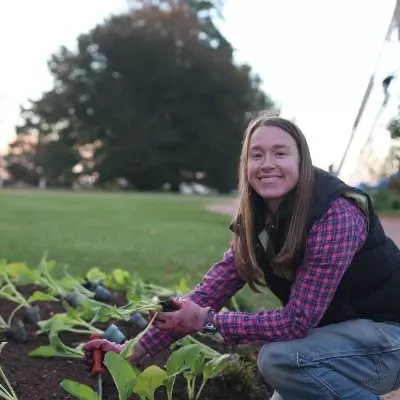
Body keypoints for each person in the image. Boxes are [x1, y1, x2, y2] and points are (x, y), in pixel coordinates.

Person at [84, 114, 400, 399]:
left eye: (280, 153)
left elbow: (296, 322)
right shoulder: (259, 219)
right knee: (293, 374)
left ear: (301, 161)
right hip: (341, 340)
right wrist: (130, 353)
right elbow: (210, 291)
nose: (267, 164)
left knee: (279, 360)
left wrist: (206, 322)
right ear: (246, 165)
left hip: (389, 337)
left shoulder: (335, 215)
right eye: (256, 154)